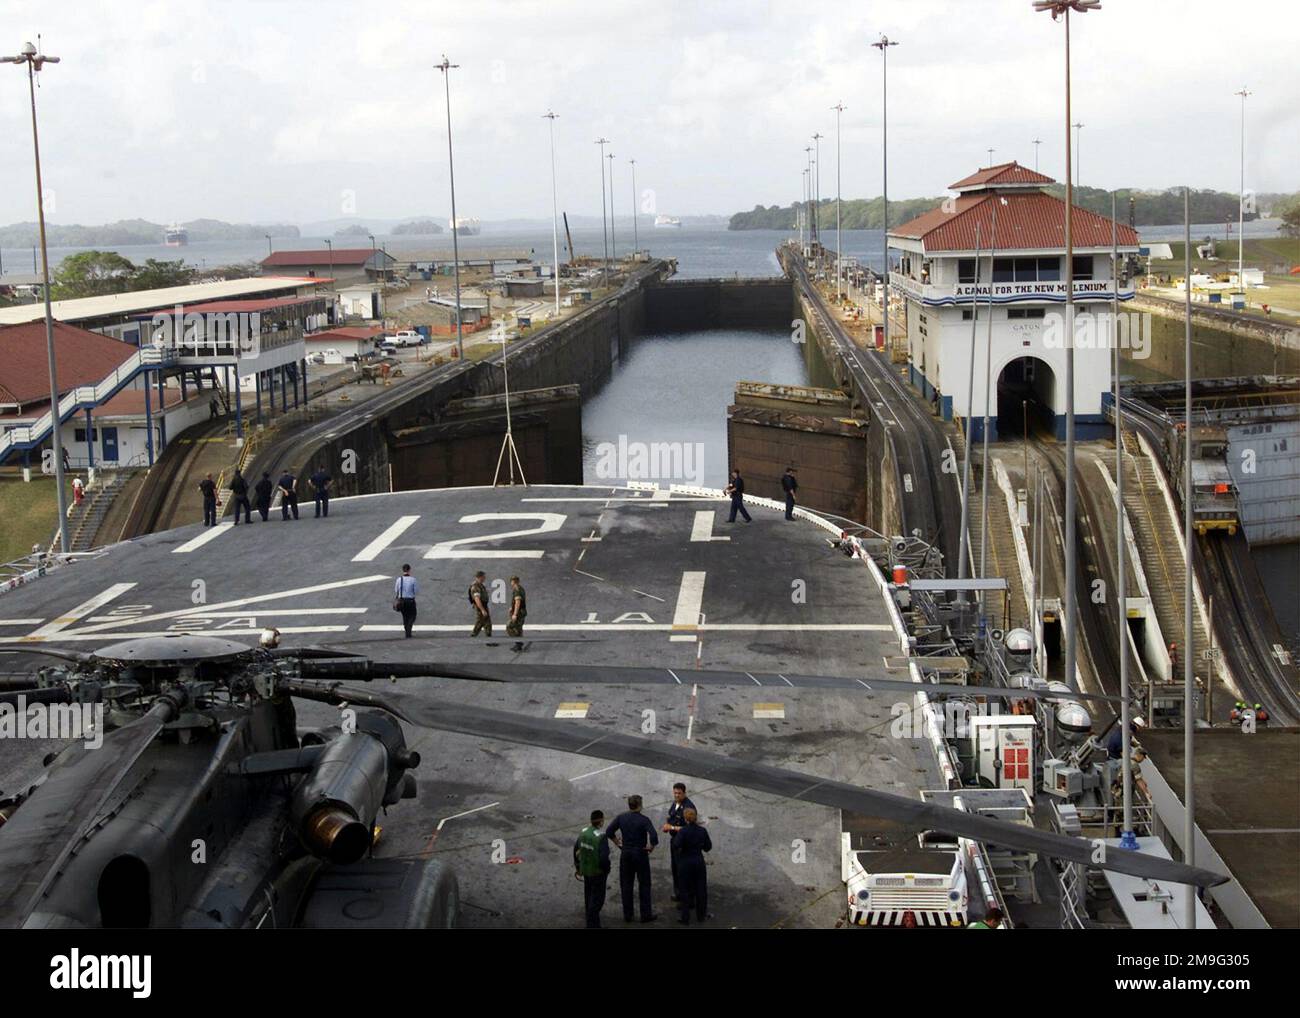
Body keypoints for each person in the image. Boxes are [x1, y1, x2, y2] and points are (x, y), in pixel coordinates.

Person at [605, 794, 658, 923]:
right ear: (640, 806)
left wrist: (617, 842)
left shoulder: (621, 817)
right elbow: (654, 836)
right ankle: (645, 914)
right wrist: (651, 846)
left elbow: (609, 831)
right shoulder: (644, 820)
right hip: (640, 854)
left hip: (626, 853)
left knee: (626, 884)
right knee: (644, 884)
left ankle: (628, 915)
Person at [671, 807, 711, 924]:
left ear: (685, 818)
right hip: (698, 861)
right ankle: (701, 915)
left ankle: (685, 917)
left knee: (684, 890)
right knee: (701, 889)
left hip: (685, 862)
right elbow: (708, 847)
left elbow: (676, 845)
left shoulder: (683, 831)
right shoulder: (702, 831)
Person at [572, 809, 611, 929]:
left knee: (588, 898)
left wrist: (578, 867)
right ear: (601, 821)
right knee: (597, 901)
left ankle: (592, 924)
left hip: (586, 871)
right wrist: (607, 869)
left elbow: (575, 850)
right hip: (598, 872)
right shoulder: (601, 837)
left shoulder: (583, 832)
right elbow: (604, 858)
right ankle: (593, 926)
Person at [661, 782, 696, 902]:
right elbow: (672, 816)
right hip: (675, 841)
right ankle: (679, 893)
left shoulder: (689, 807)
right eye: (675, 793)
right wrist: (668, 823)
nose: (676, 795)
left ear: (684, 793)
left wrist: (671, 828)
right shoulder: (676, 803)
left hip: (683, 844)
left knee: (683, 871)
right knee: (675, 869)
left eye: (679, 793)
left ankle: (688, 897)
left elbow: (689, 828)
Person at [394, 563, 418, 638]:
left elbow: (396, 590)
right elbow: (416, 591)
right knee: (413, 615)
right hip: (410, 600)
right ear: (409, 570)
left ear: (403, 570)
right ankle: (408, 629)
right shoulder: (413, 580)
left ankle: (407, 631)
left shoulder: (399, 579)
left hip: (402, 601)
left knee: (405, 616)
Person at [507, 575, 527, 652]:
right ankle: (518, 645)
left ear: (513, 582)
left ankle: (518, 642)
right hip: (522, 612)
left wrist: (514, 614)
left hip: (519, 613)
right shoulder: (520, 588)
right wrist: (512, 607)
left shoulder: (517, 590)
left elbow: (518, 602)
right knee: (518, 628)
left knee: (509, 627)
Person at [469, 570, 491, 637]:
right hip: (481, 606)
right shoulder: (475, 587)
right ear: (479, 577)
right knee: (481, 622)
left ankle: (488, 639)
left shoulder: (480, 585)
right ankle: (474, 636)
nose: (484, 578)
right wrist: (482, 610)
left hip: (483, 606)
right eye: (483, 577)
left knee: (484, 622)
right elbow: (477, 599)